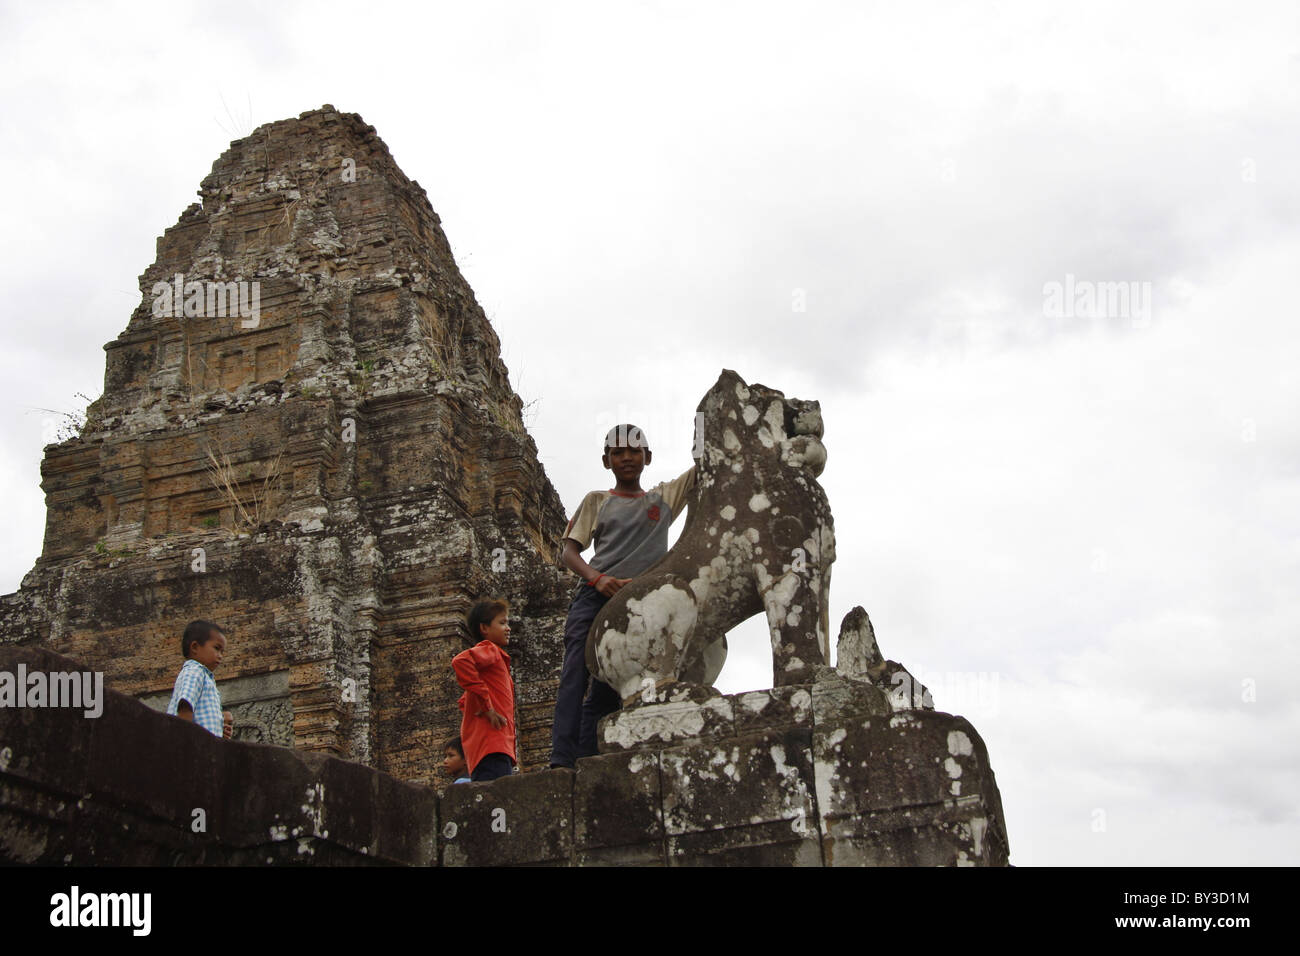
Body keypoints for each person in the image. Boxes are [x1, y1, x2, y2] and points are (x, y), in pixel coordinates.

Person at [549, 424, 695, 769]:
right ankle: (561, 761)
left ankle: (591, 759)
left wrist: (705, 420)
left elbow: (702, 463)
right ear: (606, 461)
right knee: (576, 673)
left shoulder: (663, 499)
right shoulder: (597, 501)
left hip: (640, 604)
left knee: (610, 689)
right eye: (618, 452)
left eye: (634, 450)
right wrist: (597, 579)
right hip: (595, 596)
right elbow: (568, 552)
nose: (626, 457)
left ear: (648, 457)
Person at [451, 600, 517, 782]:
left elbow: (466, 700)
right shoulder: (490, 650)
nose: (508, 628)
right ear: (484, 628)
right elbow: (460, 661)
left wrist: (480, 702)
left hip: (492, 746)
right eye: (502, 623)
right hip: (493, 745)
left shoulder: (495, 660)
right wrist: (488, 708)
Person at [166, 620, 234, 739]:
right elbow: (185, 705)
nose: (220, 655)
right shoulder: (194, 671)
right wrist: (186, 739)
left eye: (222, 651)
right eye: (217, 648)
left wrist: (218, 730)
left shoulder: (206, 677)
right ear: (195, 647)